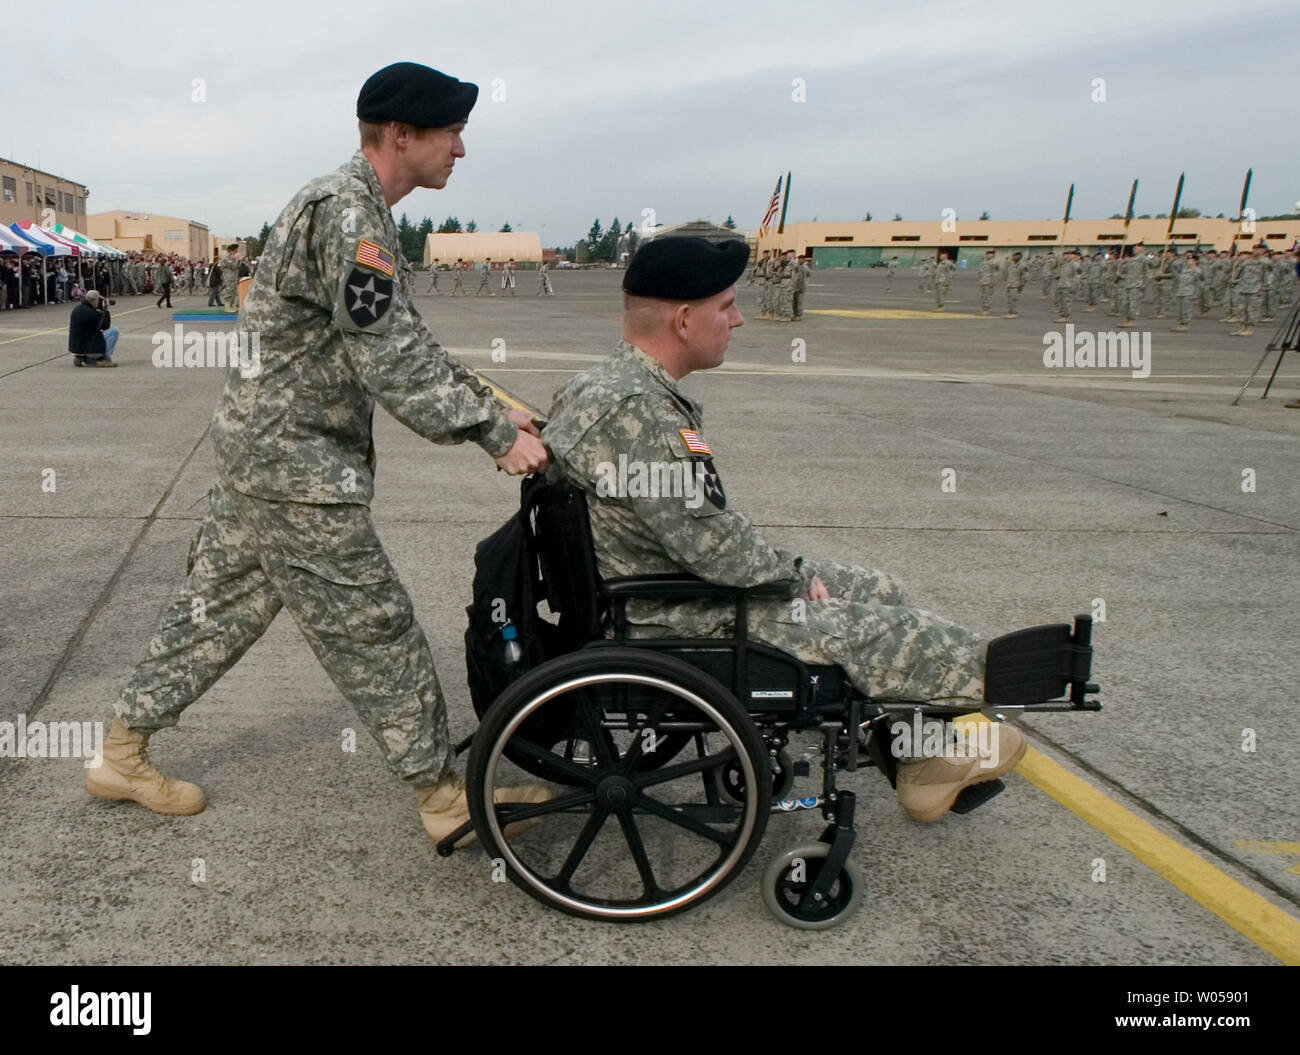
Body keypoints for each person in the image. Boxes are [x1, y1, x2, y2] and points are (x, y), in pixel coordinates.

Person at [87, 61, 548, 845]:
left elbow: (399, 336)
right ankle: (443, 798)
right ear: (400, 135)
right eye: (451, 132)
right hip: (296, 467)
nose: (461, 149)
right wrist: (493, 434)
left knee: (217, 613)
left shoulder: (355, 208)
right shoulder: (349, 215)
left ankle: (121, 752)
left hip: (266, 454)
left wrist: (493, 399)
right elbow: (390, 360)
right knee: (378, 624)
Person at [542, 237, 1025, 823]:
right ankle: (953, 730)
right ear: (685, 318)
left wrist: (789, 573)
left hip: (655, 584)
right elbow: (711, 547)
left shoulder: (607, 386)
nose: (739, 319)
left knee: (877, 588)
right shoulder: (636, 411)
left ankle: (915, 760)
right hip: (674, 609)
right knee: (903, 631)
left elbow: (696, 530)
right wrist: (791, 580)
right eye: (727, 306)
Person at [68, 289, 119, 367]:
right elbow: (105, 326)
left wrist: (100, 310)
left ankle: (81, 357)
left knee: (91, 333)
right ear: (94, 300)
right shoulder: (91, 313)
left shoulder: (78, 309)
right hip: (90, 347)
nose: (99, 302)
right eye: (99, 300)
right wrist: (106, 310)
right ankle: (102, 359)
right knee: (114, 331)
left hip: (78, 348)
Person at [1003, 251, 1024, 317]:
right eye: (1013, 256)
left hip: (1016, 286)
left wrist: (1021, 286)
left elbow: (1025, 277)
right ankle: (1009, 312)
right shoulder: (1010, 265)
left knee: (1014, 300)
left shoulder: (1022, 265)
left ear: (1019, 257)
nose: (1013, 257)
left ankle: (1014, 313)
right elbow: (1006, 273)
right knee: (1009, 300)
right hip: (1009, 285)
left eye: (1015, 256)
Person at [976, 250, 997, 315]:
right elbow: (980, 272)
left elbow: (996, 272)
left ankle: (986, 309)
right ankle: (983, 309)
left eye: (990, 254)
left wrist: (993, 281)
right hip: (982, 281)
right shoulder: (983, 262)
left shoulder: (994, 262)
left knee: (988, 296)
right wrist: (980, 280)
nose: (989, 255)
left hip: (989, 281)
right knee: (983, 296)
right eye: (987, 254)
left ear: (993, 255)